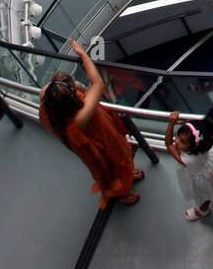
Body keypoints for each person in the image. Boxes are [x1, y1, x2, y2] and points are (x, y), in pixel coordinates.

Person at [39, 40, 142, 207]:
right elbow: (97, 84)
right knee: (116, 165)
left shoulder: (49, 108)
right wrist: (83, 55)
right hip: (104, 143)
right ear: (71, 97)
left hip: (96, 139)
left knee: (118, 164)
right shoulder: (80, 117)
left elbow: (51, 89)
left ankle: (127, 175)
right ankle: (121, 193)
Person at [165, 111, 213, 222]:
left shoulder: (189, 160)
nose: (176, 140)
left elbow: (169, 144)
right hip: (210, 165)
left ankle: (203, 211)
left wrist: (171, 123)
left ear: (194, 147)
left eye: (182, 142)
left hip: (202, 178)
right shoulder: (204, 142)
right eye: (177, 136)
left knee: (204, 196)